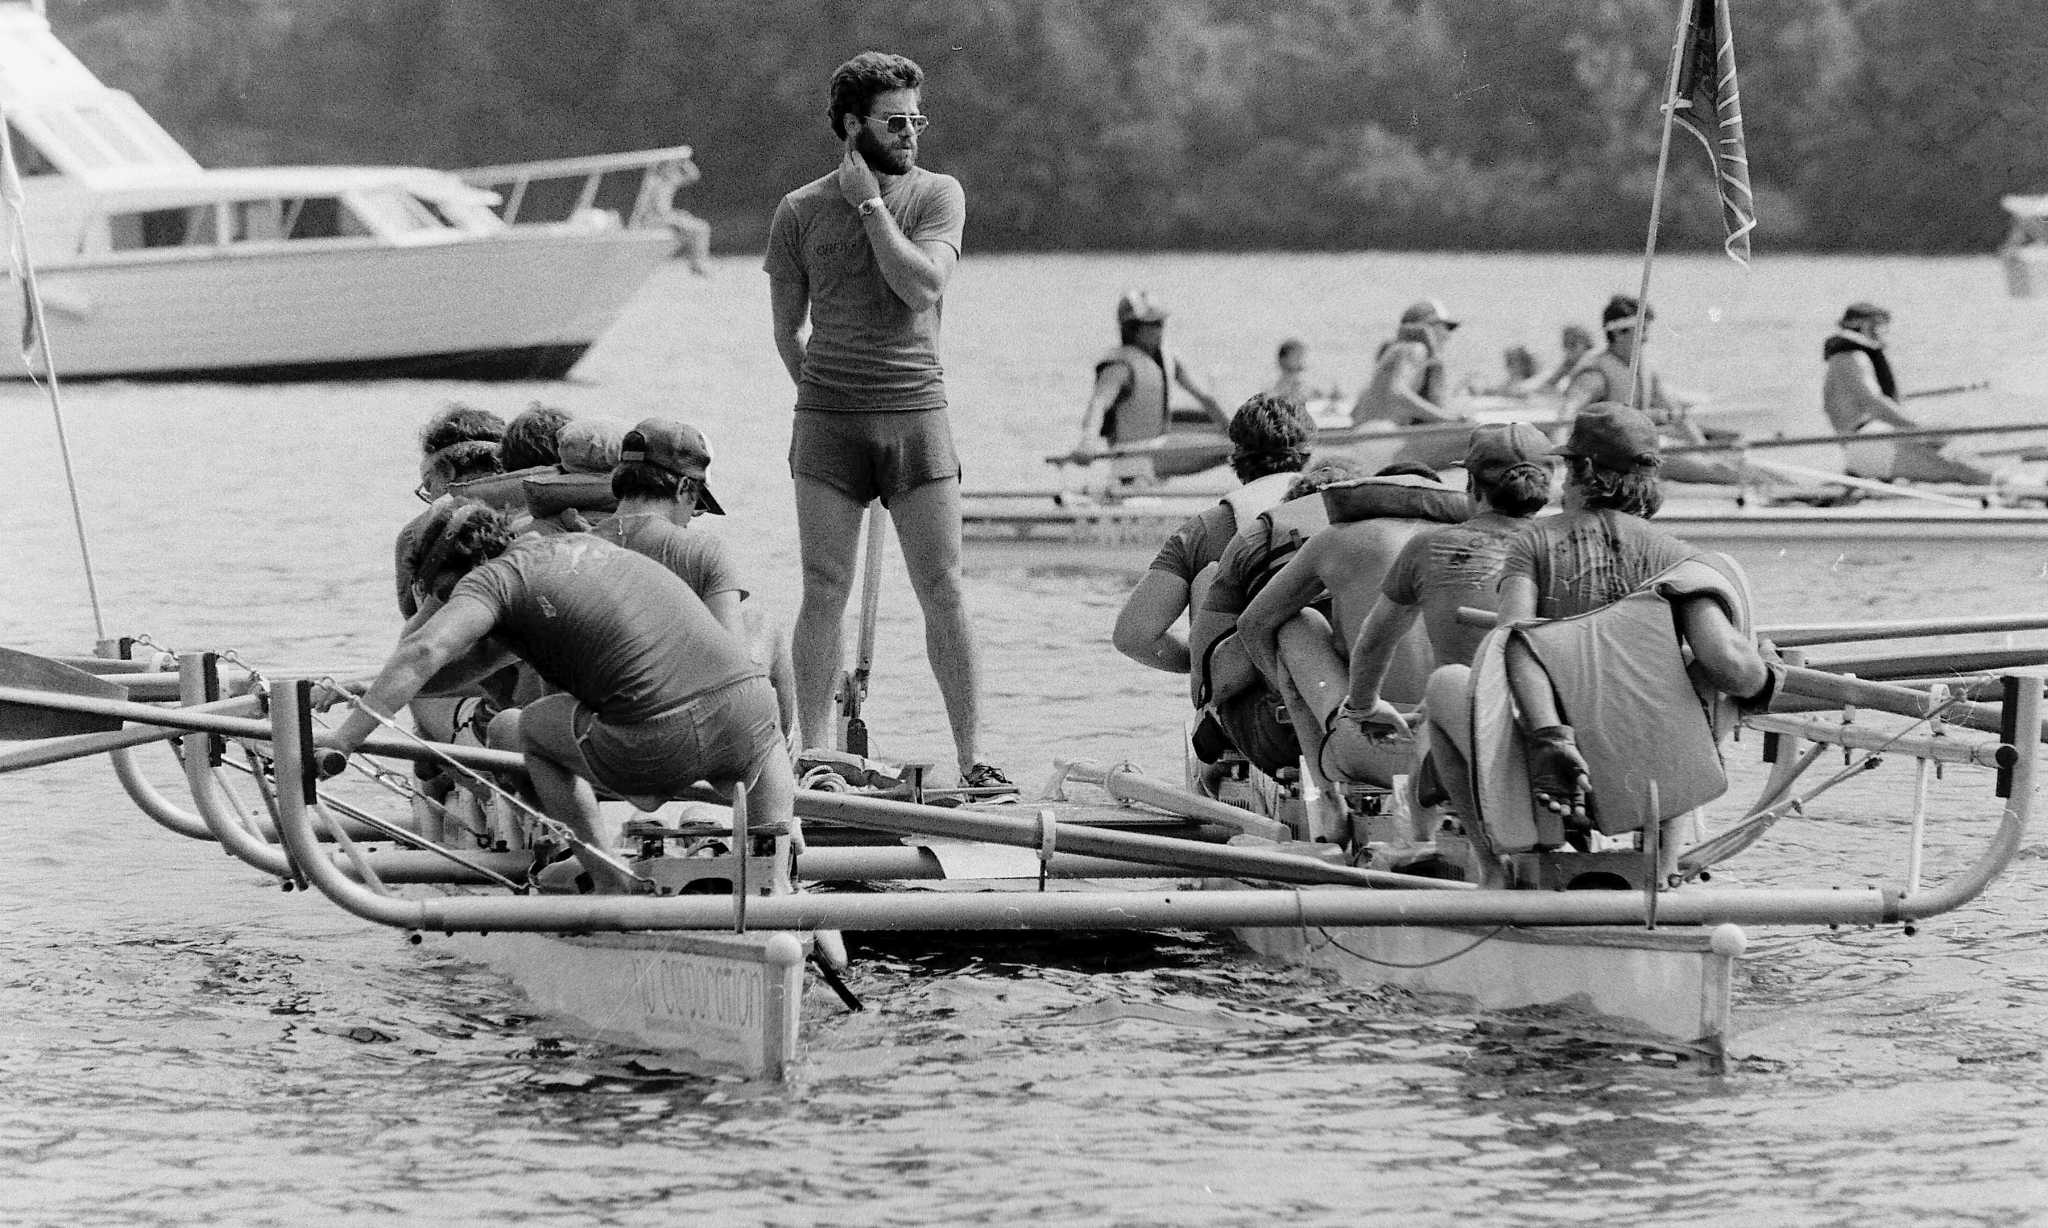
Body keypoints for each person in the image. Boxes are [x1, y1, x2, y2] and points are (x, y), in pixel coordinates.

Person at [329, 501, 794, 894]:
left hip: (656, 742)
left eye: (443, 596)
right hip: (751, 721)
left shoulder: (490, 578)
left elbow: (425, 650)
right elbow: (458, 669)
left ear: (459, 572)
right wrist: (366, 692)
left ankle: (612, 884)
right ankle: (780, 893)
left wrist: (343, 743)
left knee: (520, 726)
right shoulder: (584, 547)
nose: (448, 606)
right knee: (771, 869)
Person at [764, 51, 1003, 788]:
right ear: (849, 124)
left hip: (917, 415)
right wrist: (829, 398)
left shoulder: (938, 195)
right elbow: (785, 331)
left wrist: (870, 206)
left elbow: (920, 285)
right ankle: (816, 758)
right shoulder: (799, 210)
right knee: (822, 588)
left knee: (945, 588)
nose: (910, 134)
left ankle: (973, 759)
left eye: (916, 120)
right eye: (895, 121)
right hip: (830, 425)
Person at [1234, 466, 1471, 835]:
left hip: (1371, 749)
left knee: (1298, 624)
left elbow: (1253, 625)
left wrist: (1288, 694)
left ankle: (1329, 799)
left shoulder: (1337, 537)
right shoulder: (1481, 544)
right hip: (1467, 751)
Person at [1334, 422, 1555, 739]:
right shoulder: (1567, 547)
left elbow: (1375, 641)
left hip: (1470, 727)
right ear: (1546, 488)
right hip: (1558, 727)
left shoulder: (1429, 547)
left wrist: (1363, 706)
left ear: (1472, 485)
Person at [590, 417, 799, 741]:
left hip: (598, 736)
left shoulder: (578, 546)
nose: (692, 518)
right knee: (761, 624)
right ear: (685, 487)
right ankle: (782, 764)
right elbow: (731, 669)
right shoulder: (702, 551)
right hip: (684, 740)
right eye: (696, 503)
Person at [1112, 393, 1315, 673]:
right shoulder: (1341, 508)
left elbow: (1133, 637)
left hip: (1248, 695)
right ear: (1307, 454)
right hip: (1334, 694)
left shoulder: (1202, 532)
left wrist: (1201, 661)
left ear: (1235, 457)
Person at [1823, 302, 1993, 484]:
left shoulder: (1845, 358)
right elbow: (1873, 402)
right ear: (1864, 325)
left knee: (1956, 456)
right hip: (1870, 443)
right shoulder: (1851, 357)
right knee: (1962, 467)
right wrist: (1919, 429)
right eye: (1879, 326)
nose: (1883, 332)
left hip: (1868, 444)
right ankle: (2017, 487)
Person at [1074, 291, 1227, 456]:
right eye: (1154, 324)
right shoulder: (1119, 368)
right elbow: (1098, 404)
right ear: (1133, 329)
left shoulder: (1170, 360)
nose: (1161, 329)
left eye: (1160, 323)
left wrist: (1235, 433)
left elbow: (1205, 398)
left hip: (1158, 449)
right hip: (1128, 456)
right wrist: (1087, 442)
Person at [1350, 300, 1464, 427]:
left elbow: (1355, 411)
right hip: (1382, 434)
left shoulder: (1395, 351)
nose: (1448, 335)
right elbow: (1398, 393)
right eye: (1447, 327)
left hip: (1368, 431)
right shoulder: (1416, 349)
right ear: (1428, 327)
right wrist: (1449, 419)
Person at [1516, 324, 1595, 395]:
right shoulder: (1567, 365)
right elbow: (1546, 384)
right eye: (1566, 344)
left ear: (1585, 344)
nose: (1568, 350)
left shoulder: (1590, 363)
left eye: (1573, 344)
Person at [1265, 338, 1313, 404]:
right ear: (1283, 359)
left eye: (1301, 356)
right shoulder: (1273, 387)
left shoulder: (1304, 385)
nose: (1300, 360)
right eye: (1296, 356)